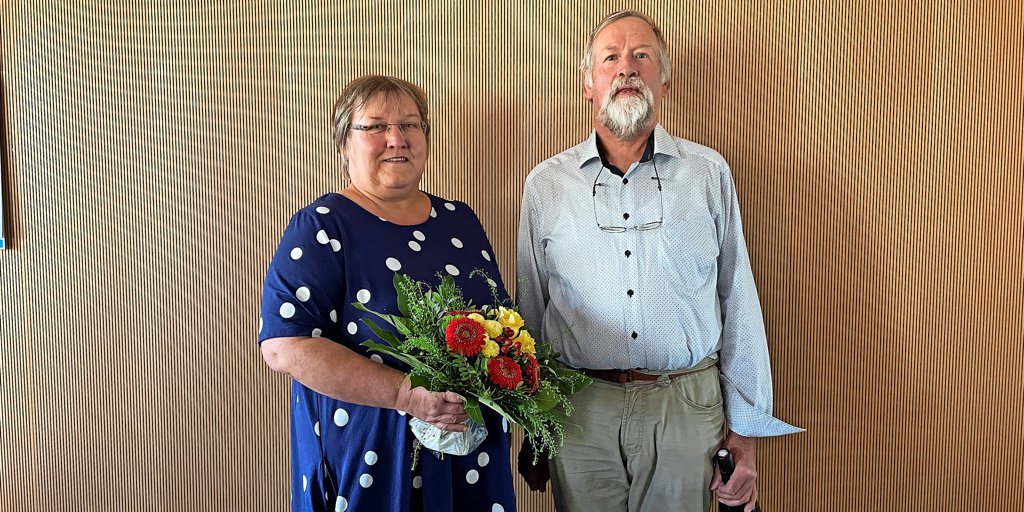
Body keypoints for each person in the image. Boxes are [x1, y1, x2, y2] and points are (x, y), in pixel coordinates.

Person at [515, 10, 803, 512]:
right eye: (611, 58)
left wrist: (746, 437)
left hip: (686, 408)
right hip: (580, 412)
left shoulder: (708, 173)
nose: (626, 69)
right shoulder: (545, 184)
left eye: (641, 56)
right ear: (589, 84)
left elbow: (738, 302)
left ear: (664, 81)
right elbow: (532, 312)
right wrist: (536, 426)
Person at [259, 75, 516, 512]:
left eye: (410, 125)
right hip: (373, 462)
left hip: (470, 454)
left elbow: (503, 326)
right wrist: (405, 394)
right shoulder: (324, 224)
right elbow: (285, 346)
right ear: (344, 144)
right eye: (375, 126)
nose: (396, 138)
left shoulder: (460, 221)